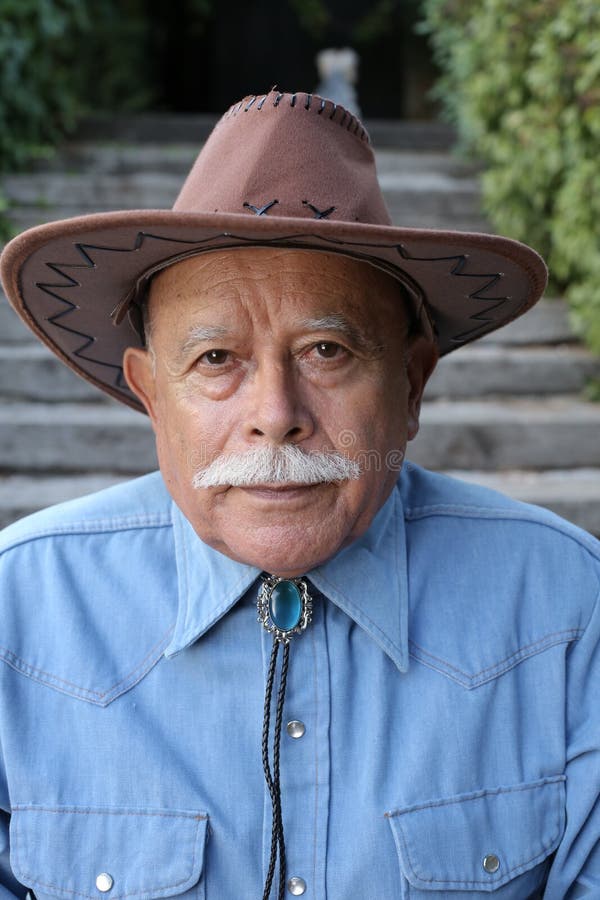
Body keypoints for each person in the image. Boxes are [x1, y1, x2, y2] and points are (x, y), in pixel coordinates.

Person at [0, 87, 598, 900]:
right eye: (216, 360)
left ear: (413, 383)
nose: (275, 417)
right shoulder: (20, 614)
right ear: (148, 393)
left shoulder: (566, 610)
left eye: (325, 349)